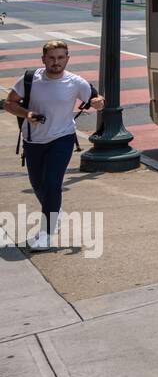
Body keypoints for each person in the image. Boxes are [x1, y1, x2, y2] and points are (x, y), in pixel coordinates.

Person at [4, 40, 105, 249]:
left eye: (60, 58)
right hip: (33, 140)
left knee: (52, 183)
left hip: (62, 138)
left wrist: (98, 102)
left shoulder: (75, 82)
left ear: (67, 59)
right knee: (37, 184)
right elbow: (9, 103)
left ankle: (46, 233)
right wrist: (27, 114)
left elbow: (97, 99)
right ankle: (55, 212)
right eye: (51, 58)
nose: (56, 62)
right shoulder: (30, 79)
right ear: (43, 59)